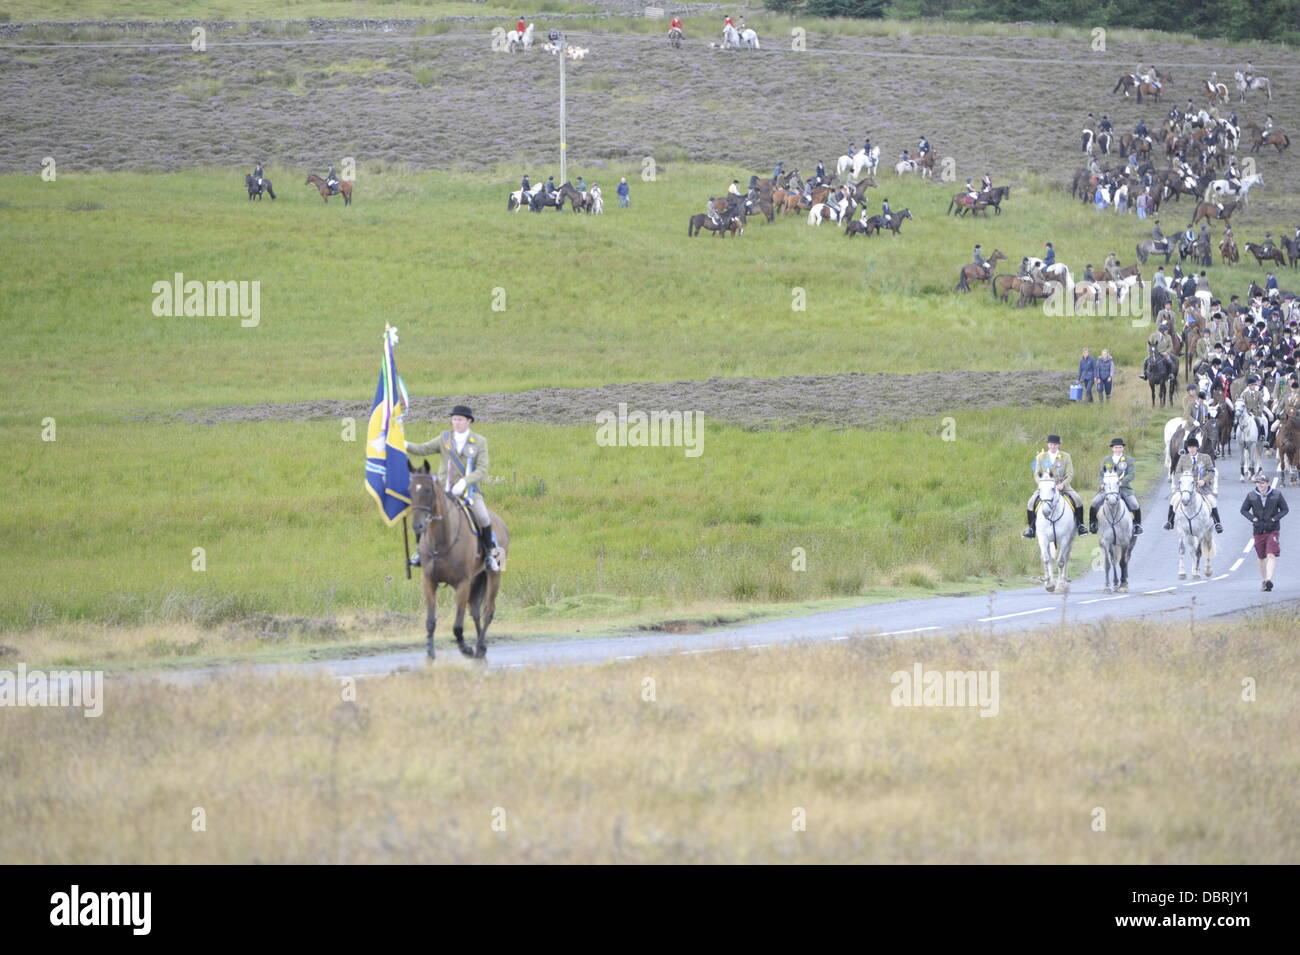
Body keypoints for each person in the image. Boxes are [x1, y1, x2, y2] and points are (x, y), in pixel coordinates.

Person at [405, 405, 505, 572]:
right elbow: (423, 449)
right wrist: (404, 443)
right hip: (444, 491)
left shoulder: (479, 442)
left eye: (460, 419)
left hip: (469, 492)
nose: (456, 423)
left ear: (469, 421)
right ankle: (419, 552)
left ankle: (489, 555)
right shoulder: (444, 439)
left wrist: (465, 482)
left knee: (483, 517)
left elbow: (482, 469)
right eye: (454, 419)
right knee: (423, 513)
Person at [1024, 435, 1087, 538]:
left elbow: (1070, 473)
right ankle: (1031, 528)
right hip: (1046, 487)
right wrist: (1042, 484)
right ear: (1048, 444)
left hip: (1062, 486)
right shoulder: (1041, 457)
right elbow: (1036, 474)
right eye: (1051, 444)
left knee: (1078, 499)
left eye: (1055, 444)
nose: (1053, 446)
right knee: (1031, 502)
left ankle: (1080, 525)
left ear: (1059, 445)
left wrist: (1063, 484)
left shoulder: (1066, 456)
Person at [1165, 437, 1223, 533]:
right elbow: (1177, 472)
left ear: (1197, 448)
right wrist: (1185, 478)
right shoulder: (1183, 458)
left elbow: (1212, 471)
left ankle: (1218, 523)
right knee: (1174, 499)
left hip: (1202, 487)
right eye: (1189, 447)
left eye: (1193, 447)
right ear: (1187, 448)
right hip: (1186, 487)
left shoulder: (1205, 457)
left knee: (1212, 501)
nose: (1191, 449)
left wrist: (1204, 480)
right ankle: (1169, 521)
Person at [1241, 474, 1288, 591]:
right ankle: (1265, 580)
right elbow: (1243, 510)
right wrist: (1253, 519)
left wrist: (1275, 518)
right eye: (1258, 483)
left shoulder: (1276, 494)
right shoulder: (1251, 495)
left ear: (1268, 483)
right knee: (1261, 557)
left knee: (1271, 554)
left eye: (1262, 483)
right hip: (1258, 530)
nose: (1260, 485)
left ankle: (1268, 580)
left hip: (1273, 530)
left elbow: (1285, 509)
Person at [1089, 438, 1142, 534]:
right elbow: (1101, 474)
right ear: (1112, 448)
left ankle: (1137, 525)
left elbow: (1131, 474)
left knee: (1135, 504)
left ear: (1123, 448)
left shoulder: (1128, 460)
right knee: (1094, 502)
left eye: (1120, 447)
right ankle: (1093, 523)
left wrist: (1122, 482)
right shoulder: (1107, 460)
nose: (1118, 449)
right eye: (1116, 447)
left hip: (1124, 489)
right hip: (1108, 489)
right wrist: (1101, 483)